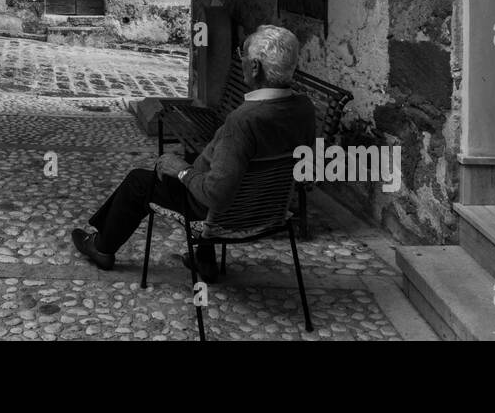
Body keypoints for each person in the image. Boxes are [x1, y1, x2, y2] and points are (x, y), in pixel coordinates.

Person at [71, 24, 316, 280]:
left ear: (254, 68)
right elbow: (304, 170)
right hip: (267, 209)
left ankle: (101, 247)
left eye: (242, 55)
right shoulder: (304, 108)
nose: (240, 60)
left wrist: (183, 172)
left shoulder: (244, 121)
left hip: (215, 213)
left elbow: (215, 195)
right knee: (192, 162)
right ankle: (203, 258)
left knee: (139, 182)